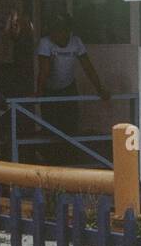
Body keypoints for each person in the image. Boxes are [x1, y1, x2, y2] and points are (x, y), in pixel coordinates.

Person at [34, 14, 109, 162]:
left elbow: (88, 67)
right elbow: (44, 71)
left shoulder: (76, 42)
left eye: (60, 31)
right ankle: (51, 161)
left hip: (69, 88)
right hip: (50, 90)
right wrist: (39, 92)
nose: (56, 35)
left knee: (70, 125)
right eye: (53, 31)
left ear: (68, 31)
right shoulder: (45, 43)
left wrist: (100, 88)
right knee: (50, 127)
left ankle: (70, 159)